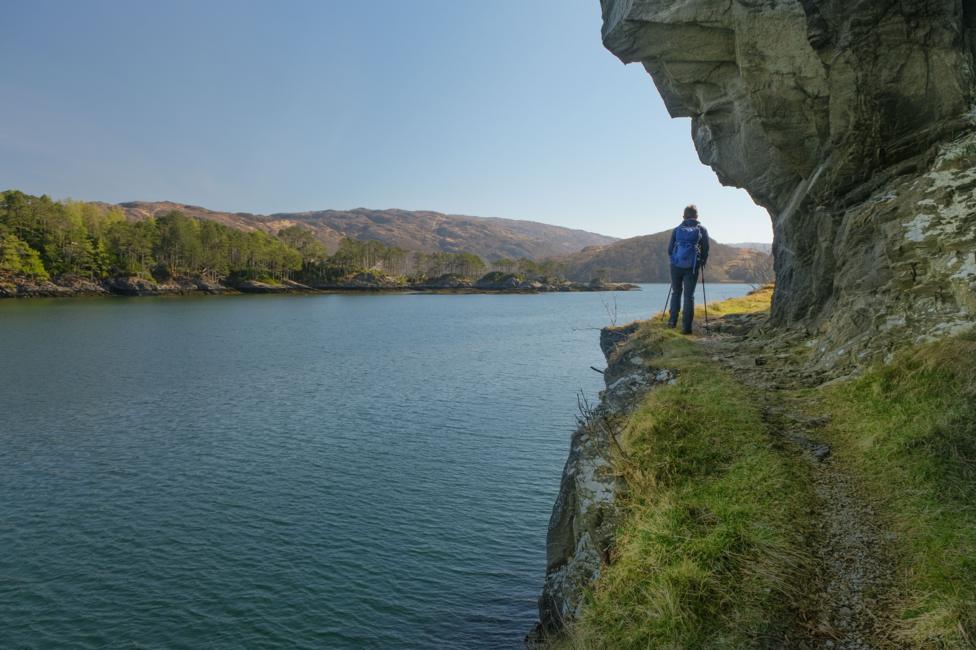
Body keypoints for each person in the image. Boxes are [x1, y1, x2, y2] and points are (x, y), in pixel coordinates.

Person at [667, 205, 709, 334]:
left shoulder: (677, 230)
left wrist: (674, 260)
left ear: (683, 216)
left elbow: (670, 250)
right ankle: (686, 328)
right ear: (696, 216)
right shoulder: (701, 230)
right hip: (692, 267)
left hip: (676, 266)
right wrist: (702, 262)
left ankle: (672, 322)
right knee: (689, 296)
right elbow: (705, 249)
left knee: (676, 292)